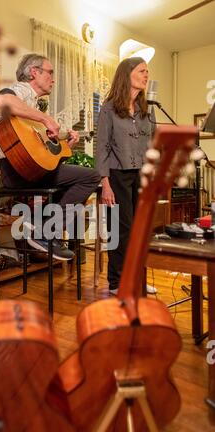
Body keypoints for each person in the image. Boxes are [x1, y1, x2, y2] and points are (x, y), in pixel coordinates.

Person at [0, 53, 100, 261]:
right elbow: (3, 100)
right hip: (17, 171)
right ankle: (44, 232)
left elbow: (39, 154)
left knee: (75, 180)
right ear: (34, 72)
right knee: (91, 177)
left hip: (26, 170)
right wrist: (46, 119)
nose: (53, 78)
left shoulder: (32, 108)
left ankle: (41, 228)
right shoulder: (22, 91)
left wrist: (65, 147)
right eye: (50, 72)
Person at [96, 56, 157, 295]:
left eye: (147, 72)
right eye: (142, 71)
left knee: (140, 229)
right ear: (127, 74)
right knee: (121, 229)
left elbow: (153, 143)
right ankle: (116, 282)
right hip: (117, 175)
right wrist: (105, 184)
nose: (146, 75)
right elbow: (102, 147)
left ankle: (138, 279)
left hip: (141, 175)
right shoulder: (109, 108)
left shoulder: (146, 109)